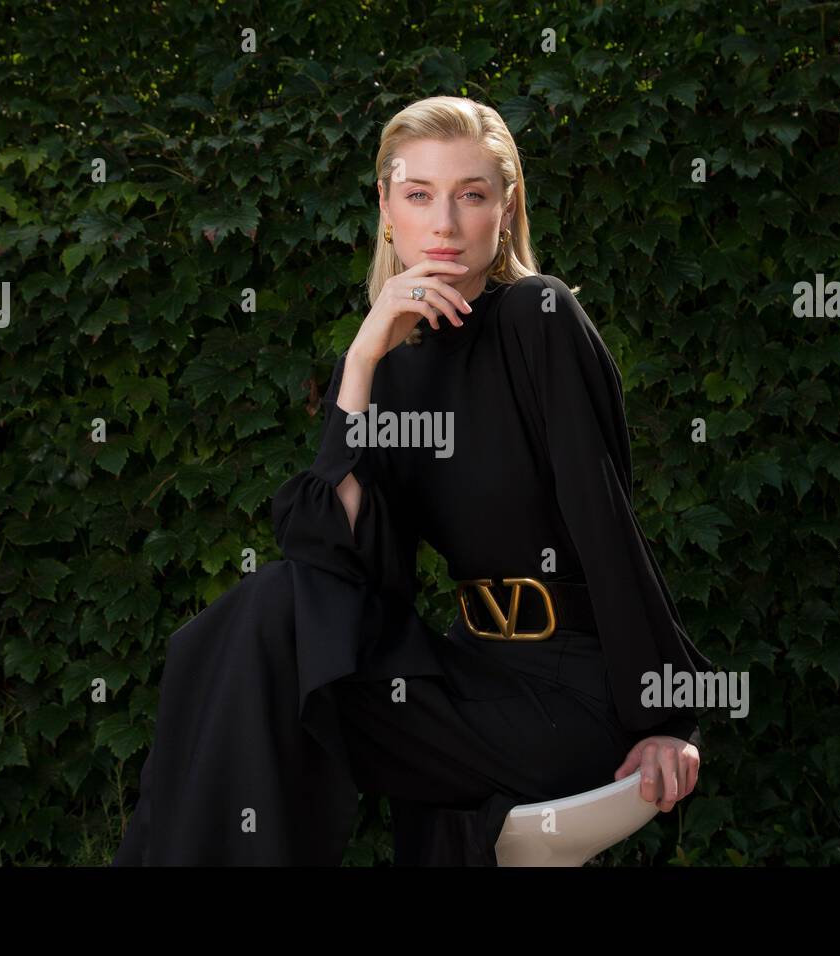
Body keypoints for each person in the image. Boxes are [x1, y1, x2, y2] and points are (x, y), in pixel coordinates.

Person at [113, 96, 710, 867]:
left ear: (505, 207)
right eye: (419, 194)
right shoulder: (394, 362)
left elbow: (605, 520)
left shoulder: (539, 316)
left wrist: (669, 716)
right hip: (469, 673)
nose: (447, 223)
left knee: (254, 646)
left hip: (569, 694)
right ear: (387, 210)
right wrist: (361, 362)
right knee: (246, 629)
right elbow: (332, 556)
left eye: (472, 194)